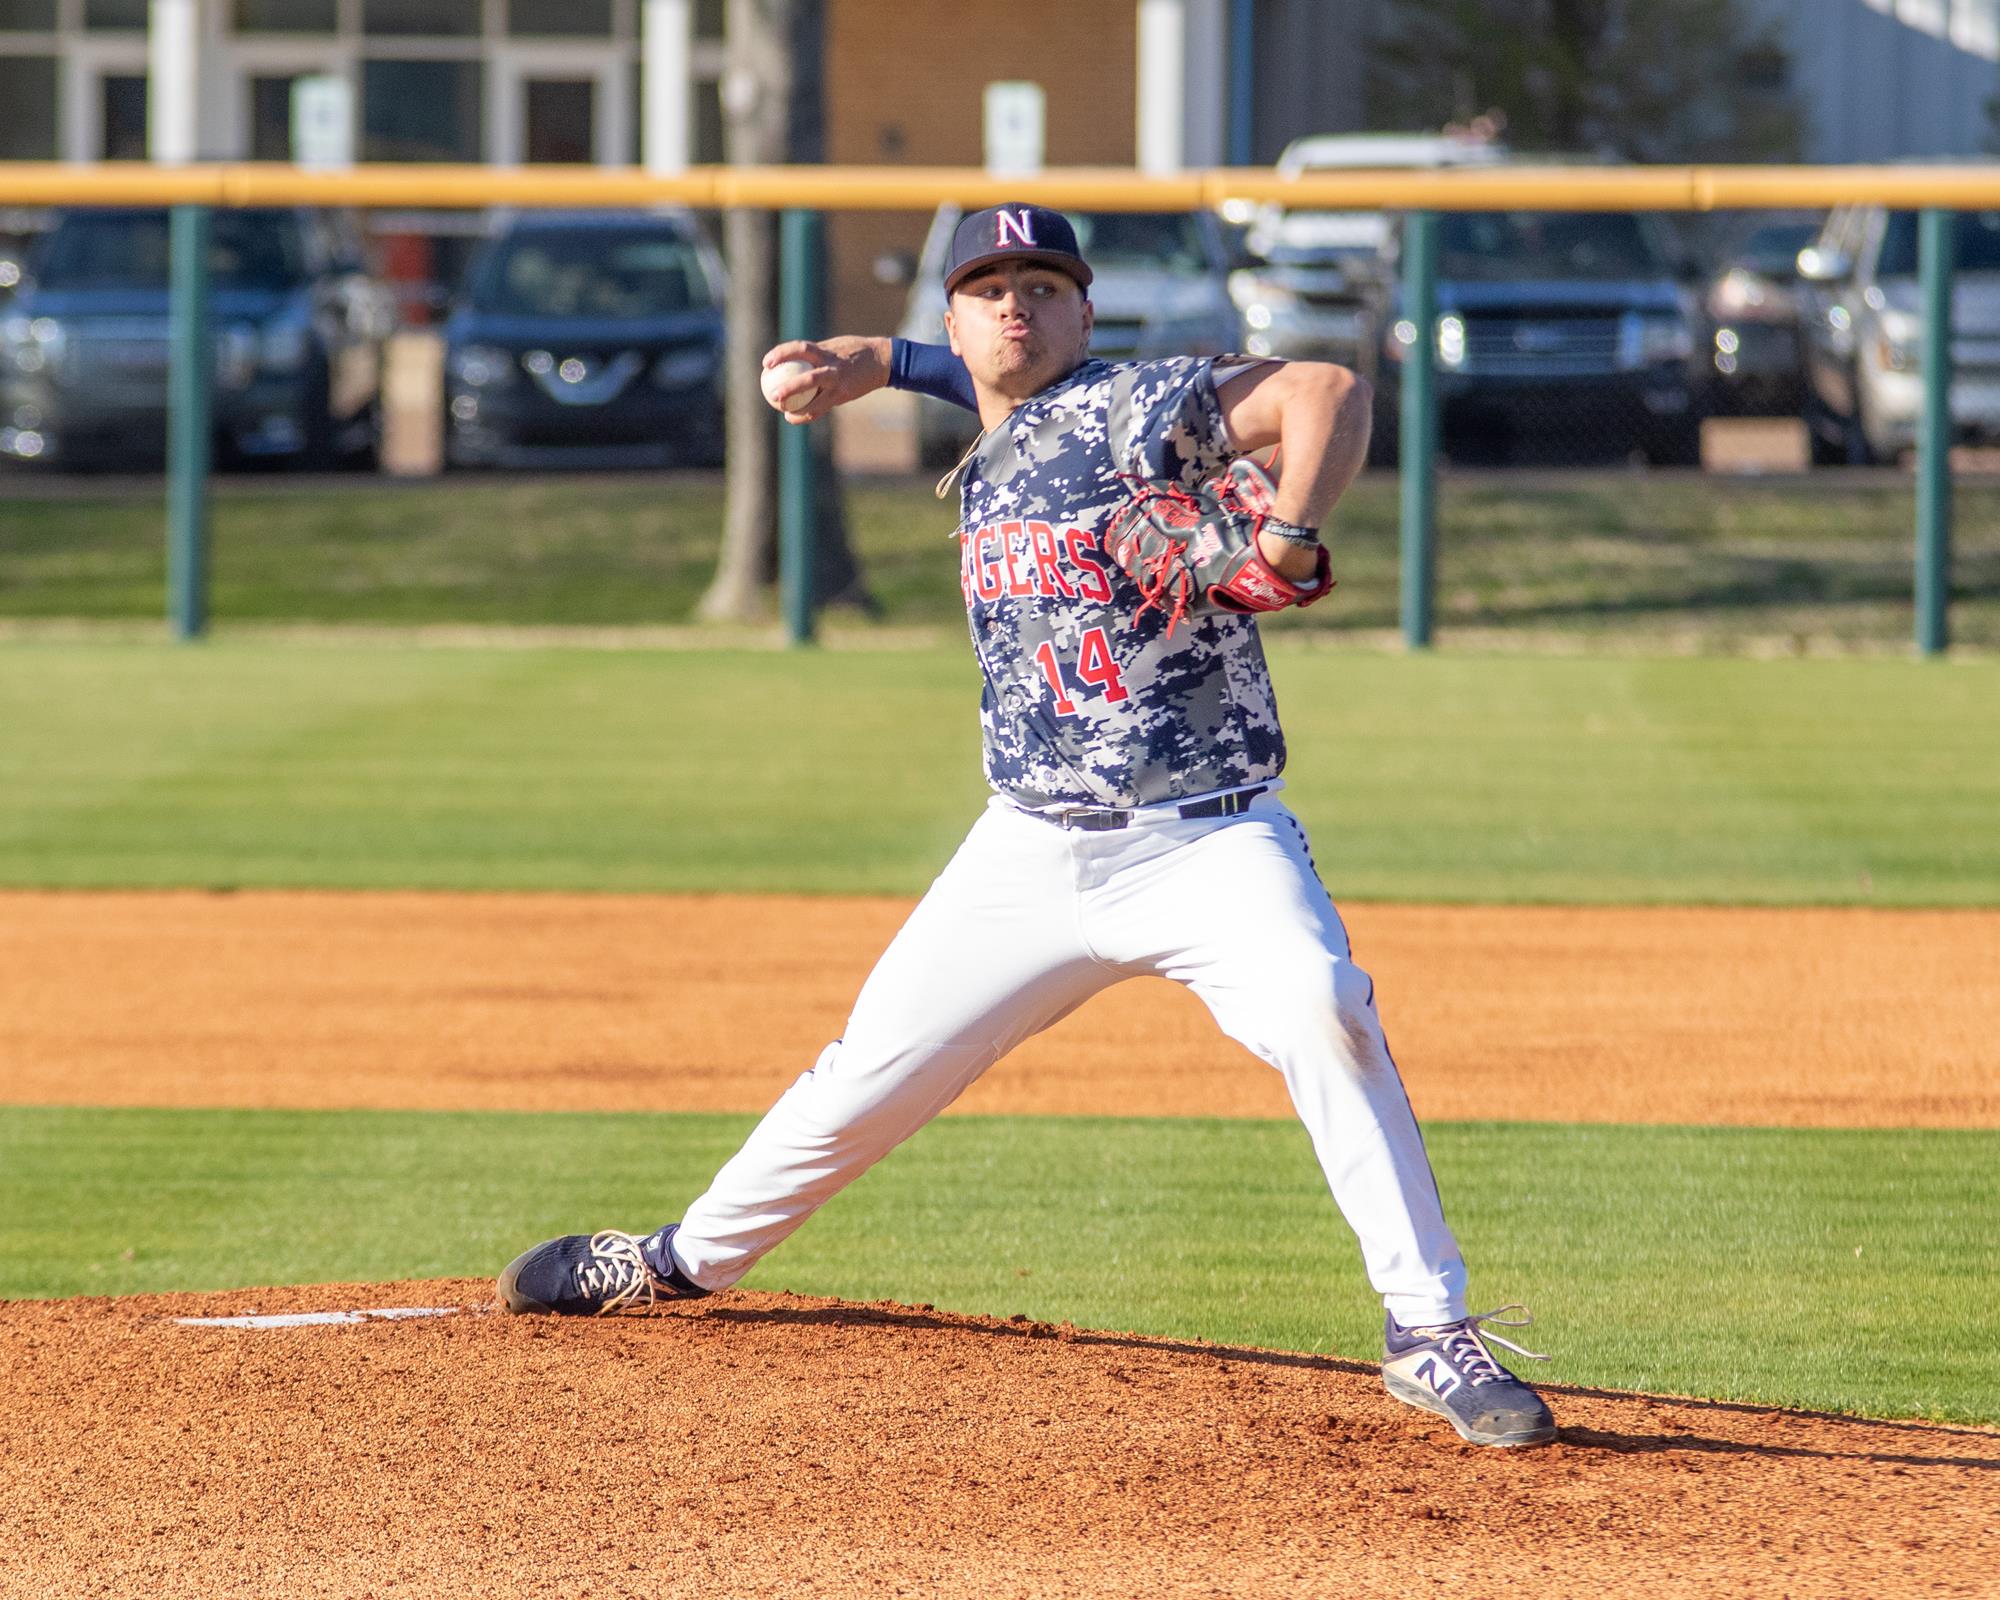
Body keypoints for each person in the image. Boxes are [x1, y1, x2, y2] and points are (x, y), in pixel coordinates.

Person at [497, 204, 1555, 1449]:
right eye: (989, 287)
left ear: (1085, 313)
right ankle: (679, 1260)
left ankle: (1426, 1328)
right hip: (1024, 847)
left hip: (1203, 842)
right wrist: (858, 363)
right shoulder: (995, 404)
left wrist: (1284, 534)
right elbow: (957, 371)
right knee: (864, 1077)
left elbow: (1326, 388)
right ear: (952, 317)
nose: (1016, 305)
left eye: (1044, 285)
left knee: (1322, 1004)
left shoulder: (1138, 404)